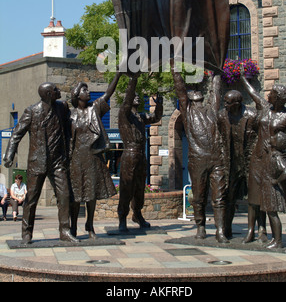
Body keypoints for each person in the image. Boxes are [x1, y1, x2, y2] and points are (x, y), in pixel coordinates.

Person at [4, 82, 78, 244]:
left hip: (58, 161)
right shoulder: (32, 111)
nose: (59, 91)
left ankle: (65, 231)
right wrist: (10, 154)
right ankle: (26, 233)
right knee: (31, 199)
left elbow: (68, 129)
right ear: (47, 94)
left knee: (65, 195)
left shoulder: (62, 107)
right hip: (37, 162)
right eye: (55, 90)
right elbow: (17, 133)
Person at [171, 61, 228, 243]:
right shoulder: (187, 112)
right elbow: (179, 86)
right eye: (191, 91)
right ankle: (200, 226)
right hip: (197, 159)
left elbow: (216, 89)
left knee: (219, 196)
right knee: (198, 196)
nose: (195, 90)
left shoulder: (211, 108)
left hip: (216, 159)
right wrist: (174, 65)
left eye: (198, 91)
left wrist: (217, 69)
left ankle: (220, 230)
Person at [241, 74, 286, 248]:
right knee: (254, 196)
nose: (268, 95)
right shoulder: (265, 108)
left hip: (273, 160)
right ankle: (255, 231)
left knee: (285, 199)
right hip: (258, 158)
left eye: (272, 93)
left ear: (279, 98)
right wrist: (243, 78)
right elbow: (253, 93)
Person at [69, 73, 120, 239]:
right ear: (77, 95)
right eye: (84, 89)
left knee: (91, 195)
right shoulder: (70, 115)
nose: (88, 91)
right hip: (76, 159)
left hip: (92, 157)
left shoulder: (94, 109)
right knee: (76, 196)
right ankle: (73, 227)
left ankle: (90, 226)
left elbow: (108, 94)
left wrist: (118, 74)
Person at [118, 76, 163, 232]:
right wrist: (133, 78)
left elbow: (156, 117)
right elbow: (128, 98)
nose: (137, 97)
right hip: (129, 155)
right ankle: (122, 218)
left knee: (139, 189)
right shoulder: (124, 115)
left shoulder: (140, 117)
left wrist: (160, 105)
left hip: (141, 155)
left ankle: (137, 214)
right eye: (133, 95)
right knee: (126, 188)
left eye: (138, 95)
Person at [217, 90, 257, 239]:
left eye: (228, 102)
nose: (225, 105)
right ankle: (226, 229)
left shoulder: (252, 116)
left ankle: (259, 231)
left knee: (255, 198)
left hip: (249, 162)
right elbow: (219, 137)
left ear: (237, 103)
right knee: (229, 197)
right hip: (231, 163)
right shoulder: (222, 116)